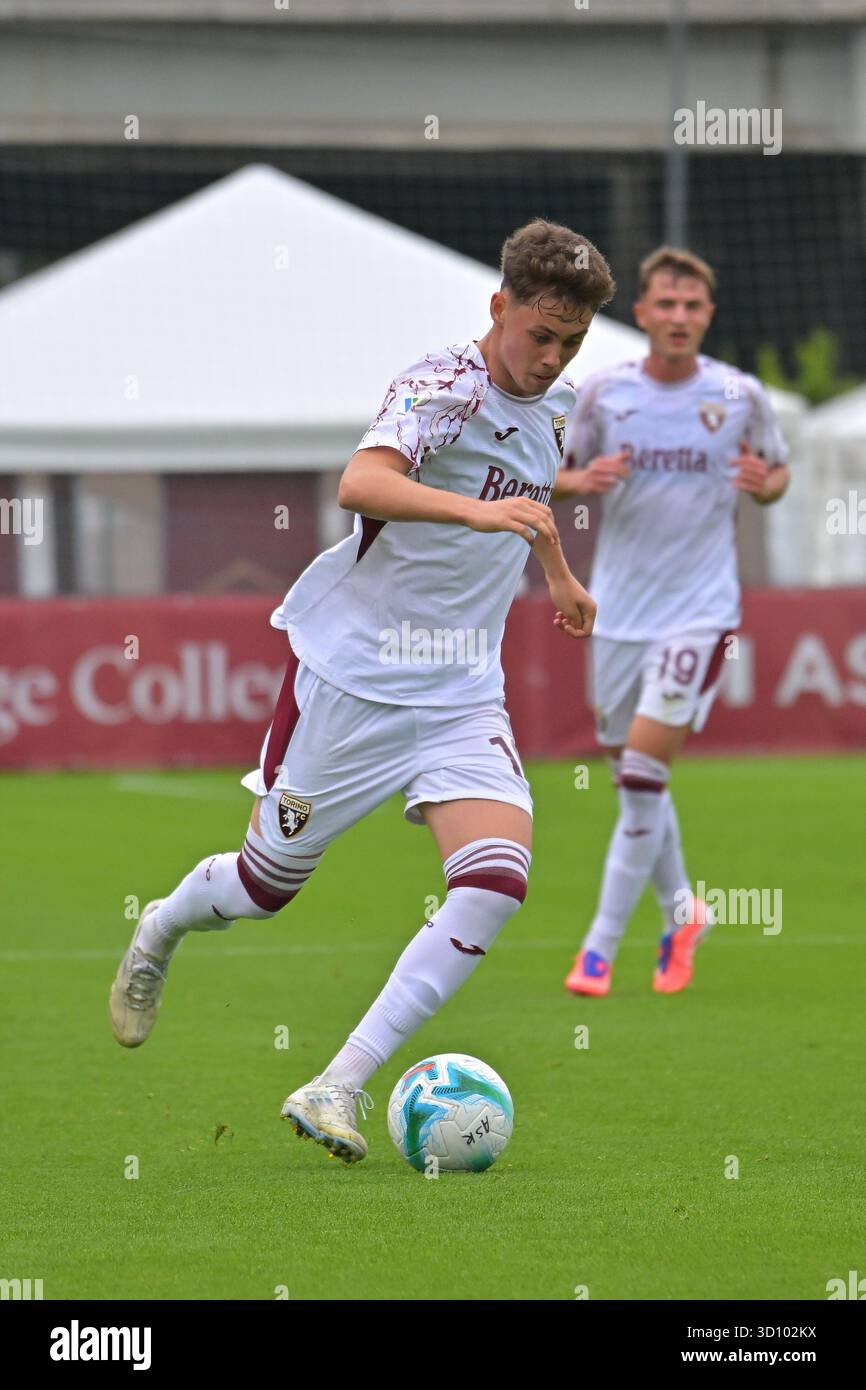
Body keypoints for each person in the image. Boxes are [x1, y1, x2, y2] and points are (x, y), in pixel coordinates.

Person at [110, 218, 613, 1164]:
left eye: (571, 343)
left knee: (496, 881)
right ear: (497, 307)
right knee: (263, 890)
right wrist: (477, 510)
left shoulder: (555, 407)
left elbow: (523, 497)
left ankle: (336, 1083)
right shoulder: (440, 386)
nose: (551, 359)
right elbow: (360, 482)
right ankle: (163, 925)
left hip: (461, 688)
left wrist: (555, 571)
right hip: (353, 679)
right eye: (540, 335)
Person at [555, 246, 789, 998]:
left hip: (700, 612)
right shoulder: (603, 394)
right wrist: (579, 481)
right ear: (645, 313)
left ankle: (598, 950)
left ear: (707, 315)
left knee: (643, 773)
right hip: (619, 612)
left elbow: (778, 471)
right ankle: (684, 913)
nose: (680, 317)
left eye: (694, 306)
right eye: (667, 304)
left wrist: (768, 486)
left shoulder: (740, 394)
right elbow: (546, 475)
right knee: (637, 785)